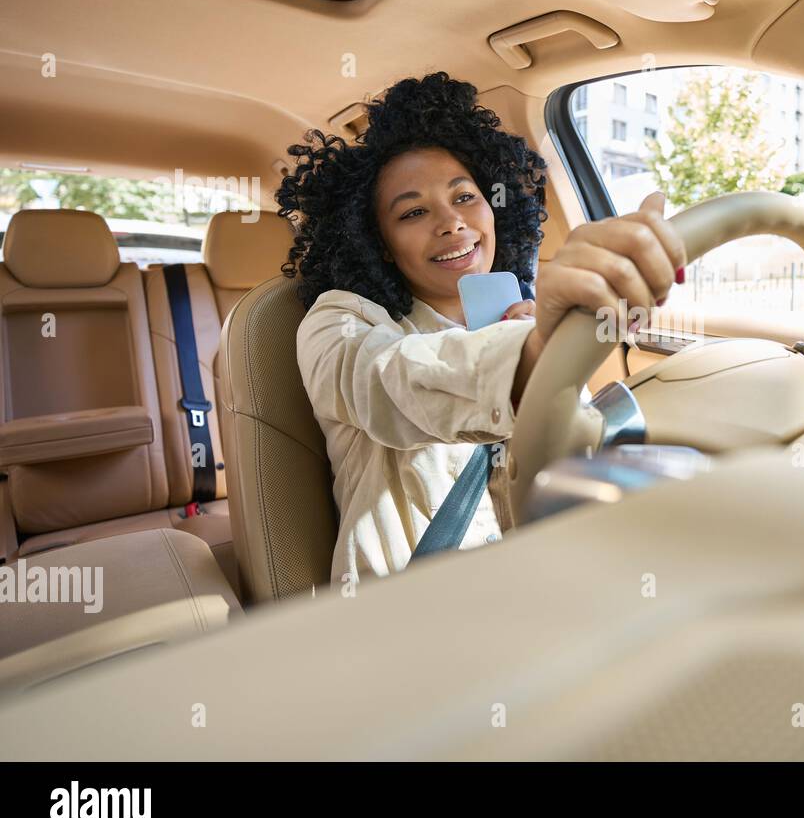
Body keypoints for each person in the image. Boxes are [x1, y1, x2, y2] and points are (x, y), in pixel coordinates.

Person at [277, 72, 685, 585]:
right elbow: (393, 383)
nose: (451, 222)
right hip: (413, 620)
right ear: (379, 244)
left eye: (465, 197)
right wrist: (532, 354)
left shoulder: (527, 314)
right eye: (414, 212)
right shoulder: (338, 322)